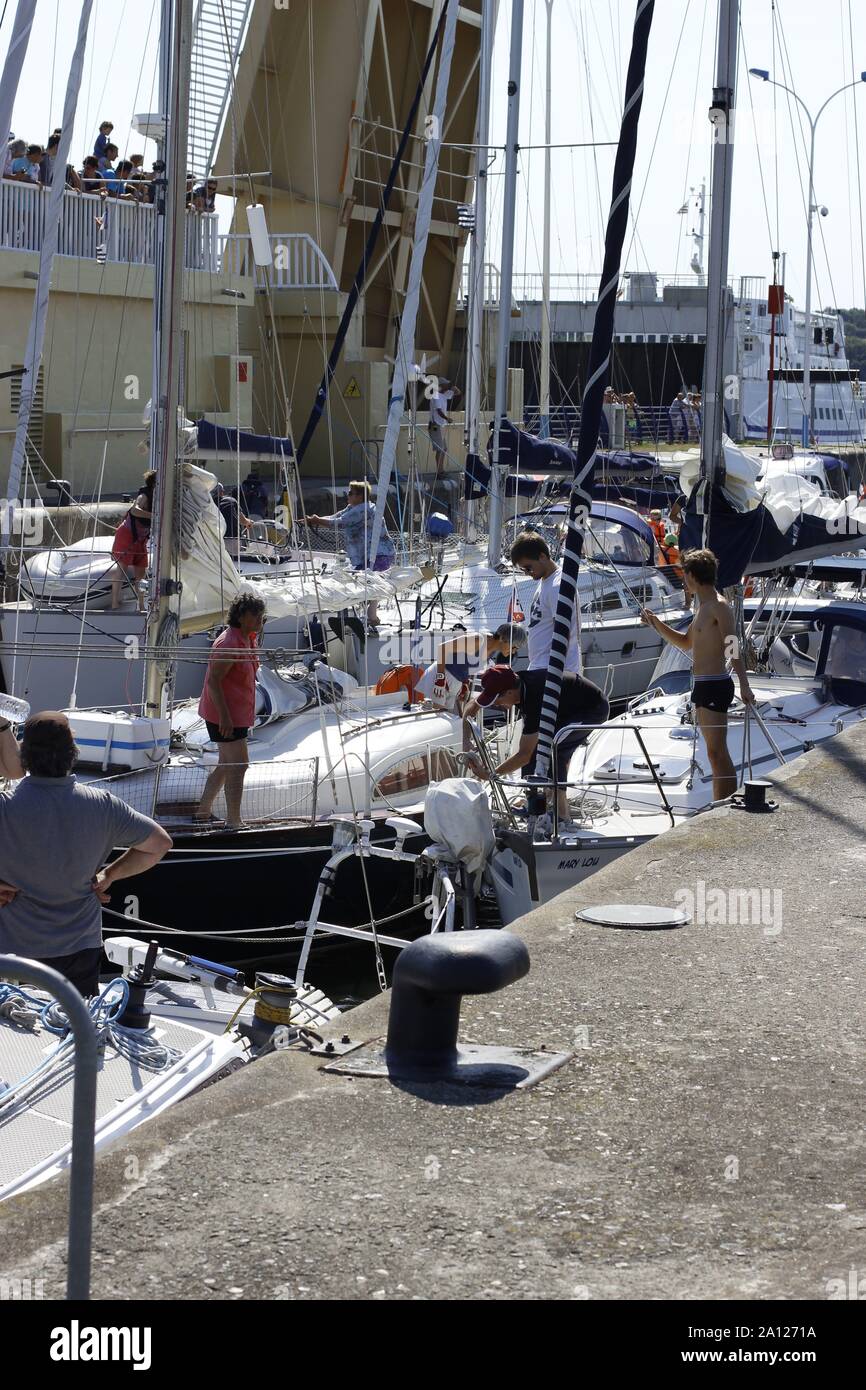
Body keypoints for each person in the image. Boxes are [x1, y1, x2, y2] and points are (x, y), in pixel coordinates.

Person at [0, 712, 171, 996]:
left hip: (14, 951)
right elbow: (159, 844)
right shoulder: (103, 805)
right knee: (77, 1031)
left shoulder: (5, 808)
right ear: (72, 754)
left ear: (24, 756)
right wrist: (109, 875)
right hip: (80, 950)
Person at [640, 547, 754, 800]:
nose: (683, 580)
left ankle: (725, 803)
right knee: (711, 752)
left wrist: (744, 685)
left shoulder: (719, 607)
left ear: (693, 576)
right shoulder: (702, 609)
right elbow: (685, 642)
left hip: (716, 684)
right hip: (702, 685)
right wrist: (656, 623)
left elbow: (733, 645)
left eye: (685, 575)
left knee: (717, 751)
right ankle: (721, 802)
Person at [463, 664, 609, 823]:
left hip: (592, 709)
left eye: (496, 699)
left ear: (510, 692)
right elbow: (472, 705)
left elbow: (523, 756)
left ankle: (562, 813)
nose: (495, 705)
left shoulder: (535, 699)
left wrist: (492, 775)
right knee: (536, 750)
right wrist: (466, 741)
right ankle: (534, 801)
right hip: (563, 709)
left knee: (555, 748)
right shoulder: (511, 681)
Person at [194, 593, 265, 829]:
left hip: (237, 713)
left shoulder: (248, 638)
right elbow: (214, 682)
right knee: (239, 765)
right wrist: (225, 717)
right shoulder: (229, 643)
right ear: (242, 616)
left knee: (227, 764)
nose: (260, 620)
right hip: (225, 715)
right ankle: (234, 821)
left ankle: (202, 811)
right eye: (256, 616)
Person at [308, 480, 395, 628]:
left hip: (379, 554)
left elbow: (339, 523)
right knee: (360, 582)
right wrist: (312, 520)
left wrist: (317, 520)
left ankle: (372, 617)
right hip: (365, 556)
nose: (347, 495)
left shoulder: (364, 510)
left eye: (350, 493)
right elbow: (335, 517)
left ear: (360, 496)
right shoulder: (352, 507)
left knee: (371, 582)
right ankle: (363, 616)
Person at [509, 531, 582, 674]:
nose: (527, 572)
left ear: (542, 556)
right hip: (541, 667)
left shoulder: (558, 585)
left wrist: (556, 675)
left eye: (528, 567)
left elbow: (563, 632)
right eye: (523, 569)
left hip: (554, 672)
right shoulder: (545, 581)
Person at [419, 623, 528, 711]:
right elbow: (443, 648)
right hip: (440, 676)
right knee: (435, 718)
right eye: (514, 647)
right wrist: (440, 678)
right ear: (504, 639)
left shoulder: (492, 650)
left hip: (453, 682)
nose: (514, 651)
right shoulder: (478, 640)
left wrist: (464, 681)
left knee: (444, 720)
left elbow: (463, 664)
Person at [110, 469, 156, 610]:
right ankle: (114, 604)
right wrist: (154, 516)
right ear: (155, 483)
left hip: (140, 539)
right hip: (127, 534)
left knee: (141, 572)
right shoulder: (145, 495)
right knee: (122, 568)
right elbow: (134, 510)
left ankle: (141, 606)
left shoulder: (159, 499)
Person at [428, 380, 461, 476]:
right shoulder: (436, 395)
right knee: (440, 449)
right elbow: (438, 411)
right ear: (441, 385)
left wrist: (455, 388)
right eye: (446, 385)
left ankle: (441, 470)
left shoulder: (444, 394)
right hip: (434, 425)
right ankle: (439, 472)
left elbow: (458, 393)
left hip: (440, 426)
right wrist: (447, 418)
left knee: (444, 448)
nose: (448, 386)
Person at [212, 482, 252, 560]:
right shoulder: (231, 501)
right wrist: (249, 522)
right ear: (222, 492)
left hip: (215, 538)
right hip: (232, 538)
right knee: (233, 561)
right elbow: (243, 520)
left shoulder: (208, 504)